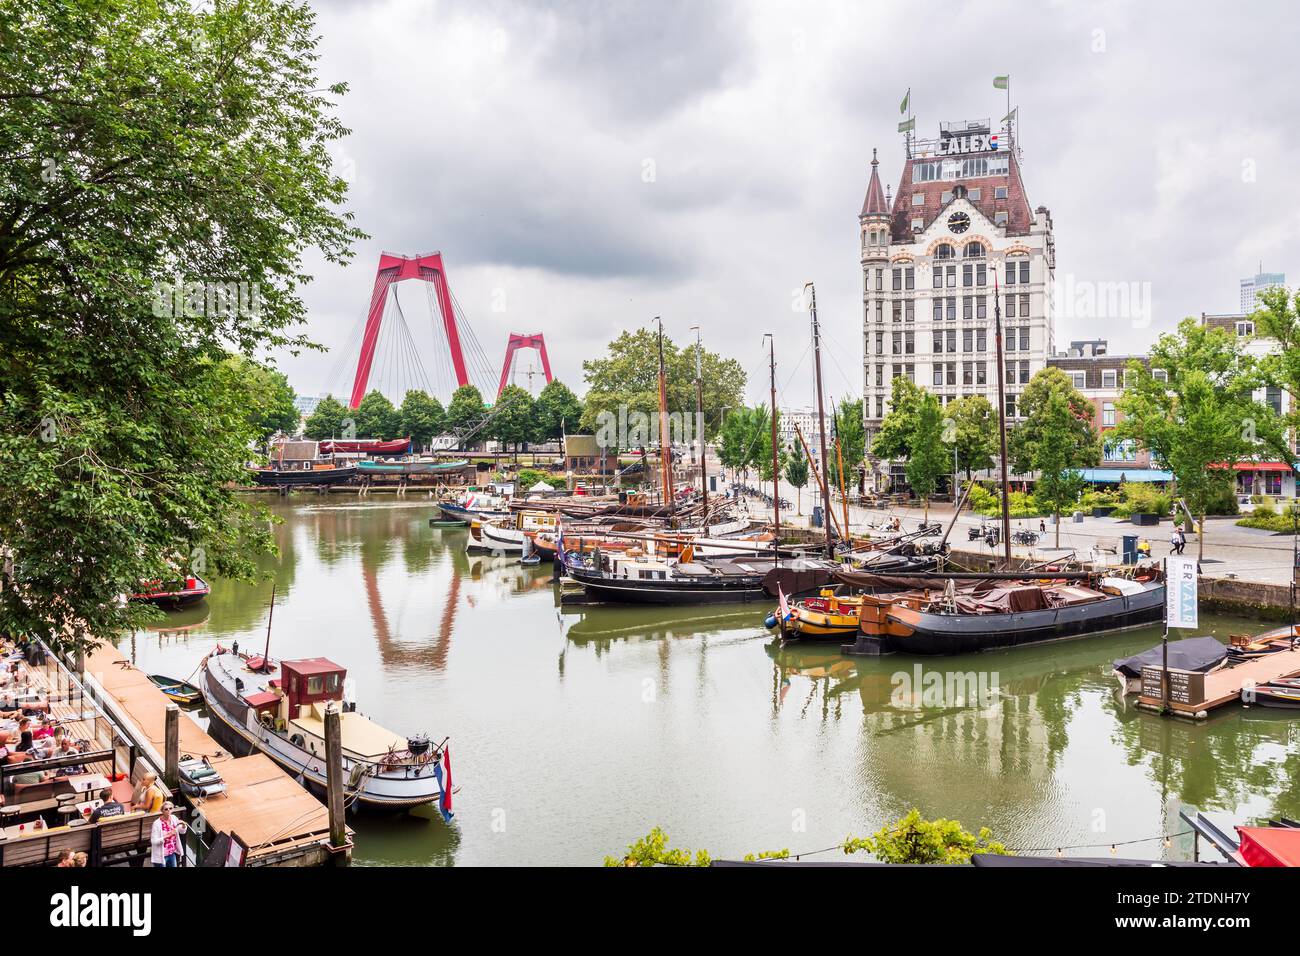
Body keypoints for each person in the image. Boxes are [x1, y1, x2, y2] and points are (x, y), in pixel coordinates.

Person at [150, 802, 188, 868]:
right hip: (161, 856)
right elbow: (153, 841)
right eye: (166, 809)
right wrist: (166, 836)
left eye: (170, 808)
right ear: (162, 811)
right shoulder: (157, 823)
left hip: (171, 853)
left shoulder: (173, 818)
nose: (168, 810)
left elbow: (182, 831)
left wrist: (184, 825)